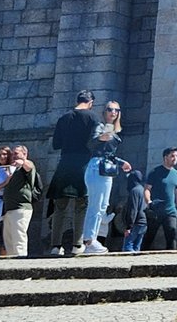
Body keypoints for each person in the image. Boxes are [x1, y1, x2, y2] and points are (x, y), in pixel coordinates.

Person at [49, 90, 98, 255]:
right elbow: (95, 142)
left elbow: (56, 144)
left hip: (65, 162)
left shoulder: (63, 118)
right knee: (81, 204)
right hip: (83, 163)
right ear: (90, 102)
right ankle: (77, 245)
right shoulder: (92, 117)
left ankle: (55, 246)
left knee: (60, 206)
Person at [81, 100, 124, 254]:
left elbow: (110, 154)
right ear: (104, 111)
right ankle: (89, 240)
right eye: (110, 109)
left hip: (105, 169)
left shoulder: (113, 129)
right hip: (97, 167)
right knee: (96, 204)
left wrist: (121, 162)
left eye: (116, 110)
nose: (113, 112)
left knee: (102, 206)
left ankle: (90, 238)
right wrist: (100, 138)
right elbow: (90, 145)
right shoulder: (99, 126)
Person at [2, 145, 40, 258]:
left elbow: (29, 166)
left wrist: (22, 161)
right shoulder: (13, 169)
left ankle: (22, 269)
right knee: (9, 242)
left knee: (19, 240)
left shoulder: (27, 165)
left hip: (21, 208)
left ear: (25, 154)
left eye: (16, 153)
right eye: (12, 154)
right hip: (9, 209)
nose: (13, 156)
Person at [145, 148, 177, 253]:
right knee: (149, 237)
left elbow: (176, 193)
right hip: (156, 210)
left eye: (176, 156)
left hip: (171, 211)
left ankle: (171, 261)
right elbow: (147, 189)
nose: (175, 158)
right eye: (172, 156)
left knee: (172, 238)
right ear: (165, 157)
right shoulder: (155, 172)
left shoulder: (176, 174)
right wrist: (149, 202)